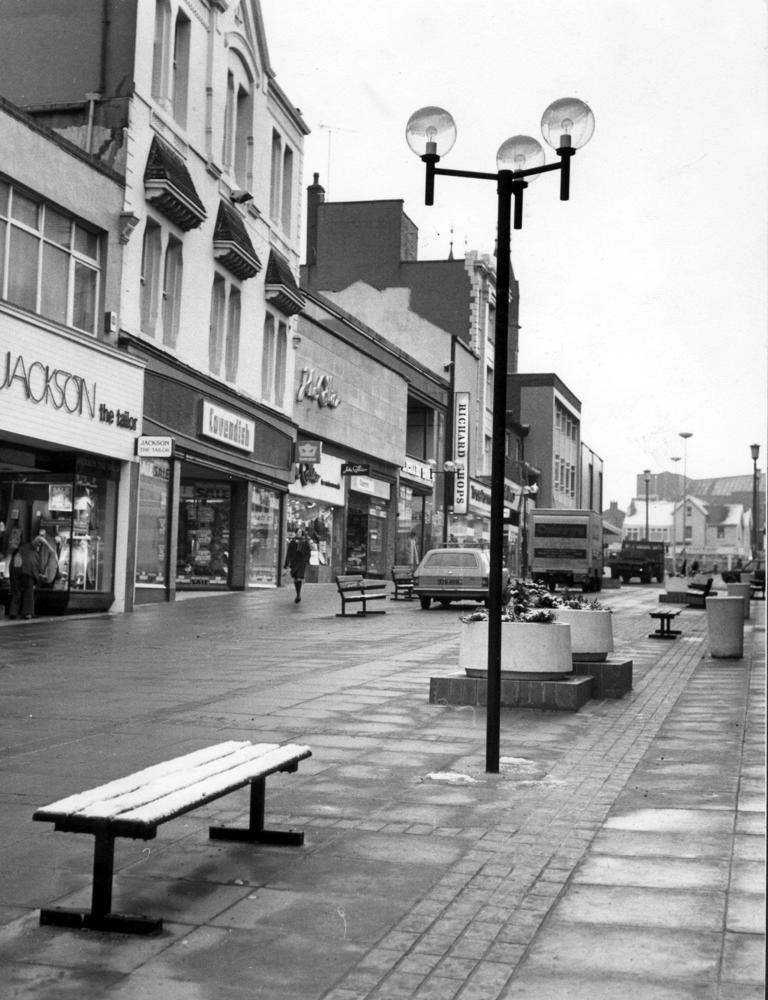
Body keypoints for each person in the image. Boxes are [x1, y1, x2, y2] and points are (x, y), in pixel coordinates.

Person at [8, 539, 41, 619]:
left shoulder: (19, 550)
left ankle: (13, 612)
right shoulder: (34, 553)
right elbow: (34, 566)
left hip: (15, 571)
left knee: (16, 592)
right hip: (27, 573)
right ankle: (27, 613)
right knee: (28, 592)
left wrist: (11, 578)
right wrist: (37, 579)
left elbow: (11, 565)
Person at [284, 528, 311, 603]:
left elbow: (308, 553)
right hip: (294, 562)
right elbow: (289, 554)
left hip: (301, 563)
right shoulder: (292, 542)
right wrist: (286, 564)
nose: (299, 533)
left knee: (299, 578)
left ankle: (298, 595)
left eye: (300, 532)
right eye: (298, 532)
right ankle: (297, 593)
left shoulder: (305, 542)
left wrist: (306, 560)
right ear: (296, 533)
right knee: (296, 578)